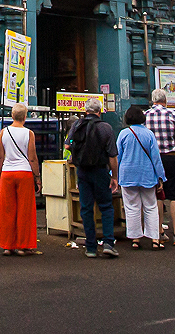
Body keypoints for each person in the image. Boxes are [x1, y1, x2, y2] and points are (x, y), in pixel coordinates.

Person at [66, 96, 119, 258]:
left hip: (82, 171)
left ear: (85, 110)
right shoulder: (106, 128)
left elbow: (68, 145)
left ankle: (90, 247)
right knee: (106, 207)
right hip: (100, 170)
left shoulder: (77, 125)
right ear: (100, 111)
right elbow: (112, 155)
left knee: (86, 208)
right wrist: (114, 176)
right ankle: (108, 242)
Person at [117, 105, 166, 250]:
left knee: (131, 207)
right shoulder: (149, 134)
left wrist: (113, 175)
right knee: (151, 207)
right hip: (147, 175)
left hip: (127, 175)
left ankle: (135, 238)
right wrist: (160, 176)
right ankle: (155, 239)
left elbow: (117, 156)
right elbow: (155, 157)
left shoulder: (123, 134)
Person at [0, 103, 41, 256]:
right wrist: (38, 178)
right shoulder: (29, 133)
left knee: (7, 210)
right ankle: (23, 245)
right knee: (25, 210)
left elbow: (0, 156)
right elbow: (32, 157)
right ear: (25, 117)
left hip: (7, 173)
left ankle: (7, 245)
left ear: (12, 116)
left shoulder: (3, 132)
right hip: (24, 173)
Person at [146, 89, 175, 246]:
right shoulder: (173, 115)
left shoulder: (145, 115)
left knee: (158, 195)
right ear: (165, 100)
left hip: (152, 160)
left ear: (152, 100)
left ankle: (158, 232)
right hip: (172, 157)